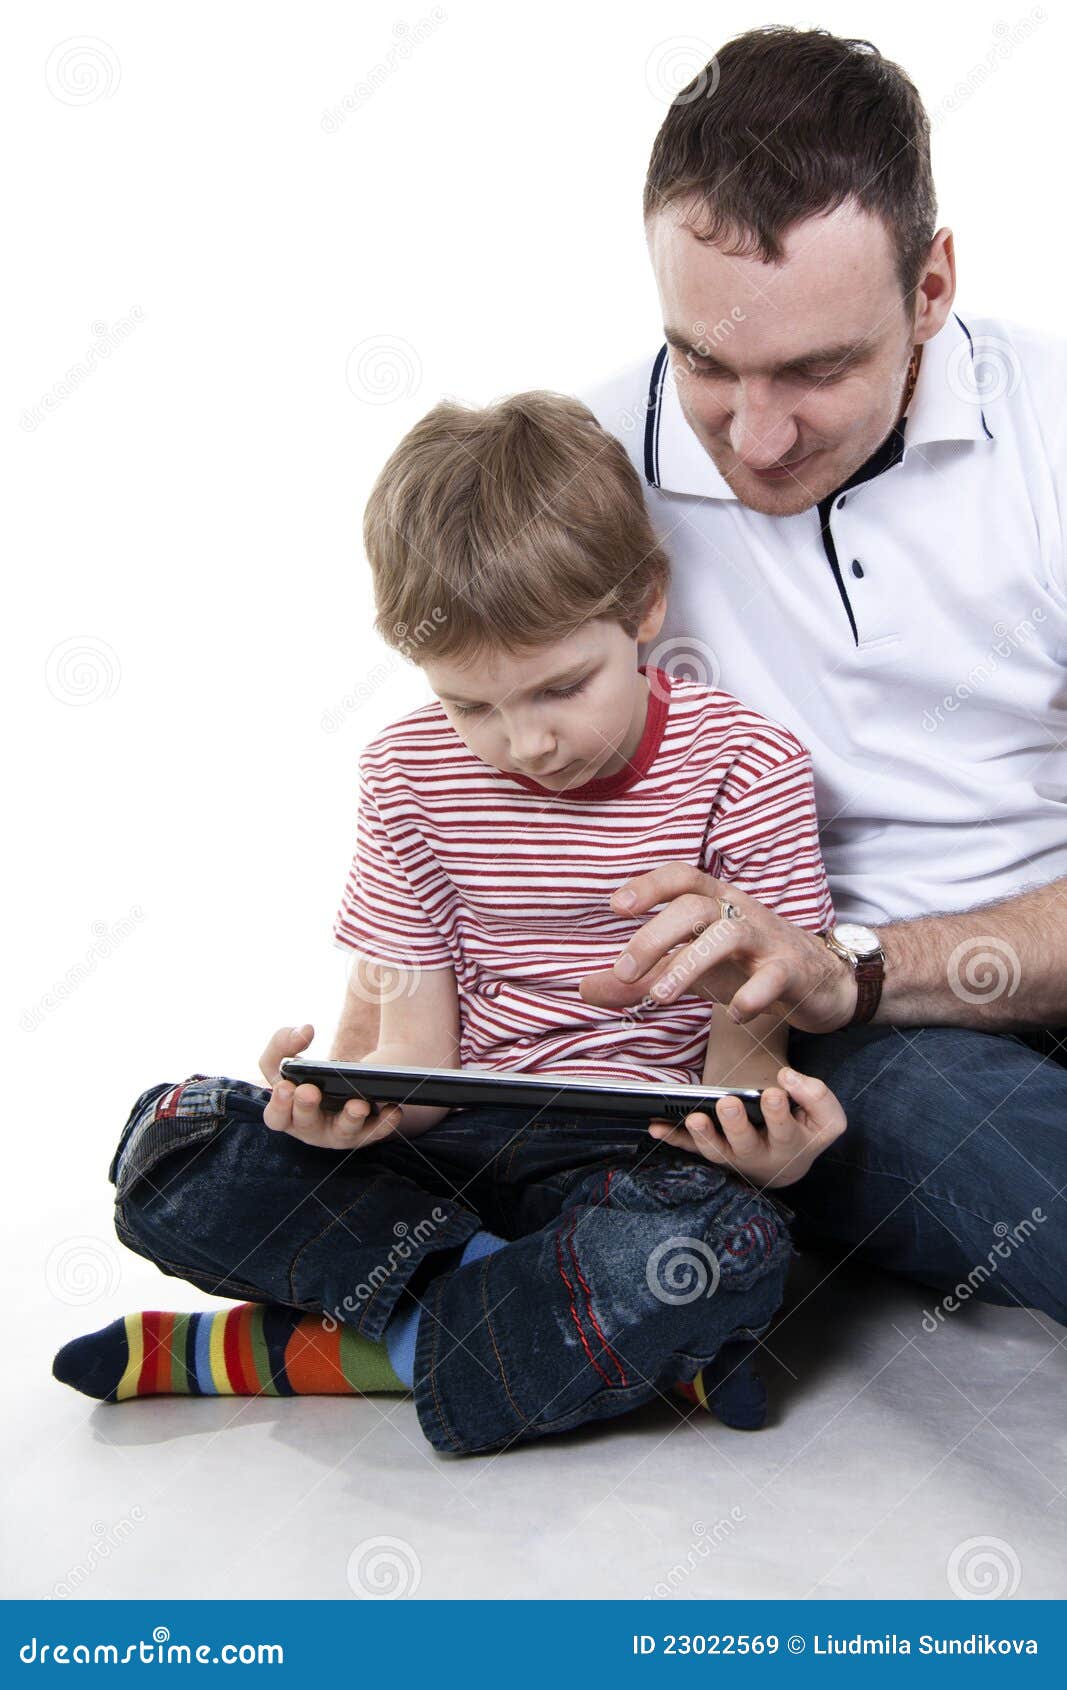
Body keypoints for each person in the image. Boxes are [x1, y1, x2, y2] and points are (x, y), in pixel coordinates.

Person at [53, 391, 847, 1455]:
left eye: (562, 687)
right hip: (445, 1159)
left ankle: (287, 1352)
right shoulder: (405, 773)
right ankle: (583, 1334)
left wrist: (771, 1154)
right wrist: (345, 1105)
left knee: (726, 1239)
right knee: (172, 1135)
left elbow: (742, 1071)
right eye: (470, 705)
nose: (523, 742)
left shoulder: (745, 765)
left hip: (638, 1156)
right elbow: (409, 1052)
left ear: (644, 605)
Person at [572, 24, 1067, 1324]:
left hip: (897, 963)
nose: (756, 433)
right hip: (860, 1049)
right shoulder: (581, 477)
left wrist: (853, 957)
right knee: (993, 1141)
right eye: (704, 363)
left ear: (929, 286)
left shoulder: (1053, 435)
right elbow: (489, 800)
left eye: (816, 368)